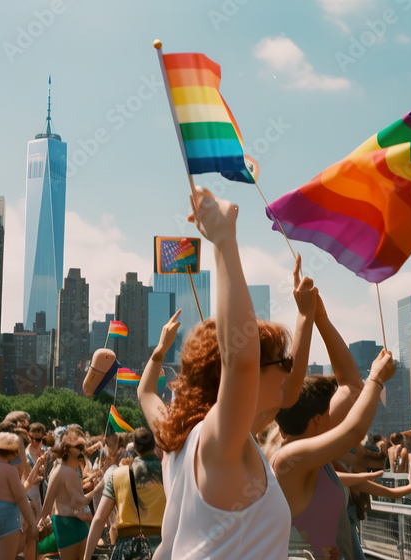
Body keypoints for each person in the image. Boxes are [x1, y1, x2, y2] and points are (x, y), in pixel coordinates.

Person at [137, 187, 306, 559]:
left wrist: (161, 351)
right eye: (283, 361)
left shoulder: (180, 442)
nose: (289, 370)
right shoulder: (218, 439)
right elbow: (242, 362)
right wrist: (223, 241)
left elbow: (146, 394)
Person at [274, 362, 397, 560]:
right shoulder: (291, 458)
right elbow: (353, 430)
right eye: (328, 412)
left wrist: (317, 327)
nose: (335, 418)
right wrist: (375, 379)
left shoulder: (309, 459)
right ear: (318, 419)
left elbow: (352, 386)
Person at [82, 427, 166, 560]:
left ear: (135, 448)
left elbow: (99, 519)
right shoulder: (168, 473)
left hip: (127, 549)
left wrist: (86, 557)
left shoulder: (117, 475)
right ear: (154, 445)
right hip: (161, 548)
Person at [37, 429, 103, 560]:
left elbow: (48, 501)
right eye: (79, 448)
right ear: (69, 451)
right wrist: (99, 488)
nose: (82, 451)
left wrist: (42, 519)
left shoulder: (58, 470)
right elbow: (79, 501)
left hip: (65, 524)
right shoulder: (68, 471)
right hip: (69, 525)